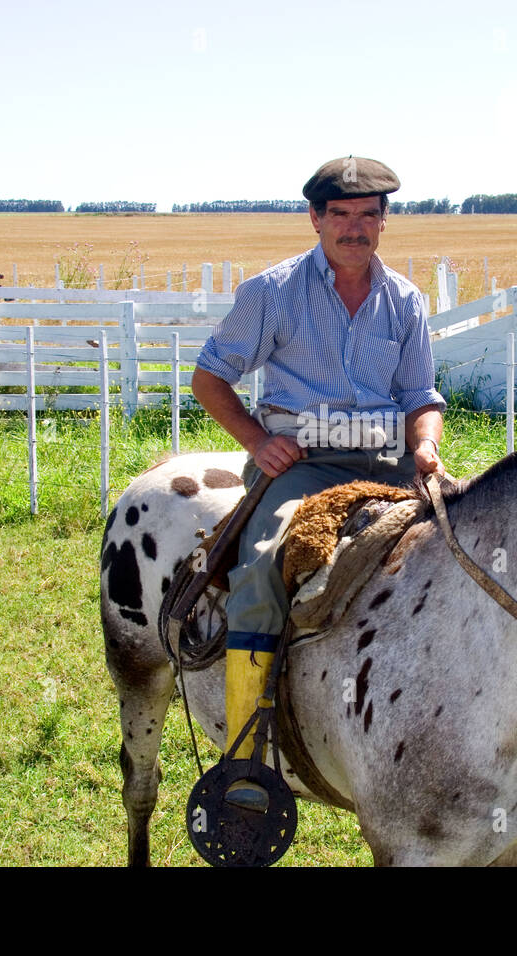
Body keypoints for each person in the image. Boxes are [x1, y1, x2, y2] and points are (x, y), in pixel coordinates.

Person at [191, 156, 446, 810]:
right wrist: (256, 440)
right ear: (315, 218)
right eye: (341, 216)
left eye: (368, 216)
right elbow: (209, 378)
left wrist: (424, 448)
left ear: (385, 221)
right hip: (301, 466)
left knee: (470, 542)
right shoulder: (272, 293)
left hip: (389, 462)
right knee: (259, 570)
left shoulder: (406, 301)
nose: (355, 229)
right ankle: (245, 758)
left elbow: (420, 394)